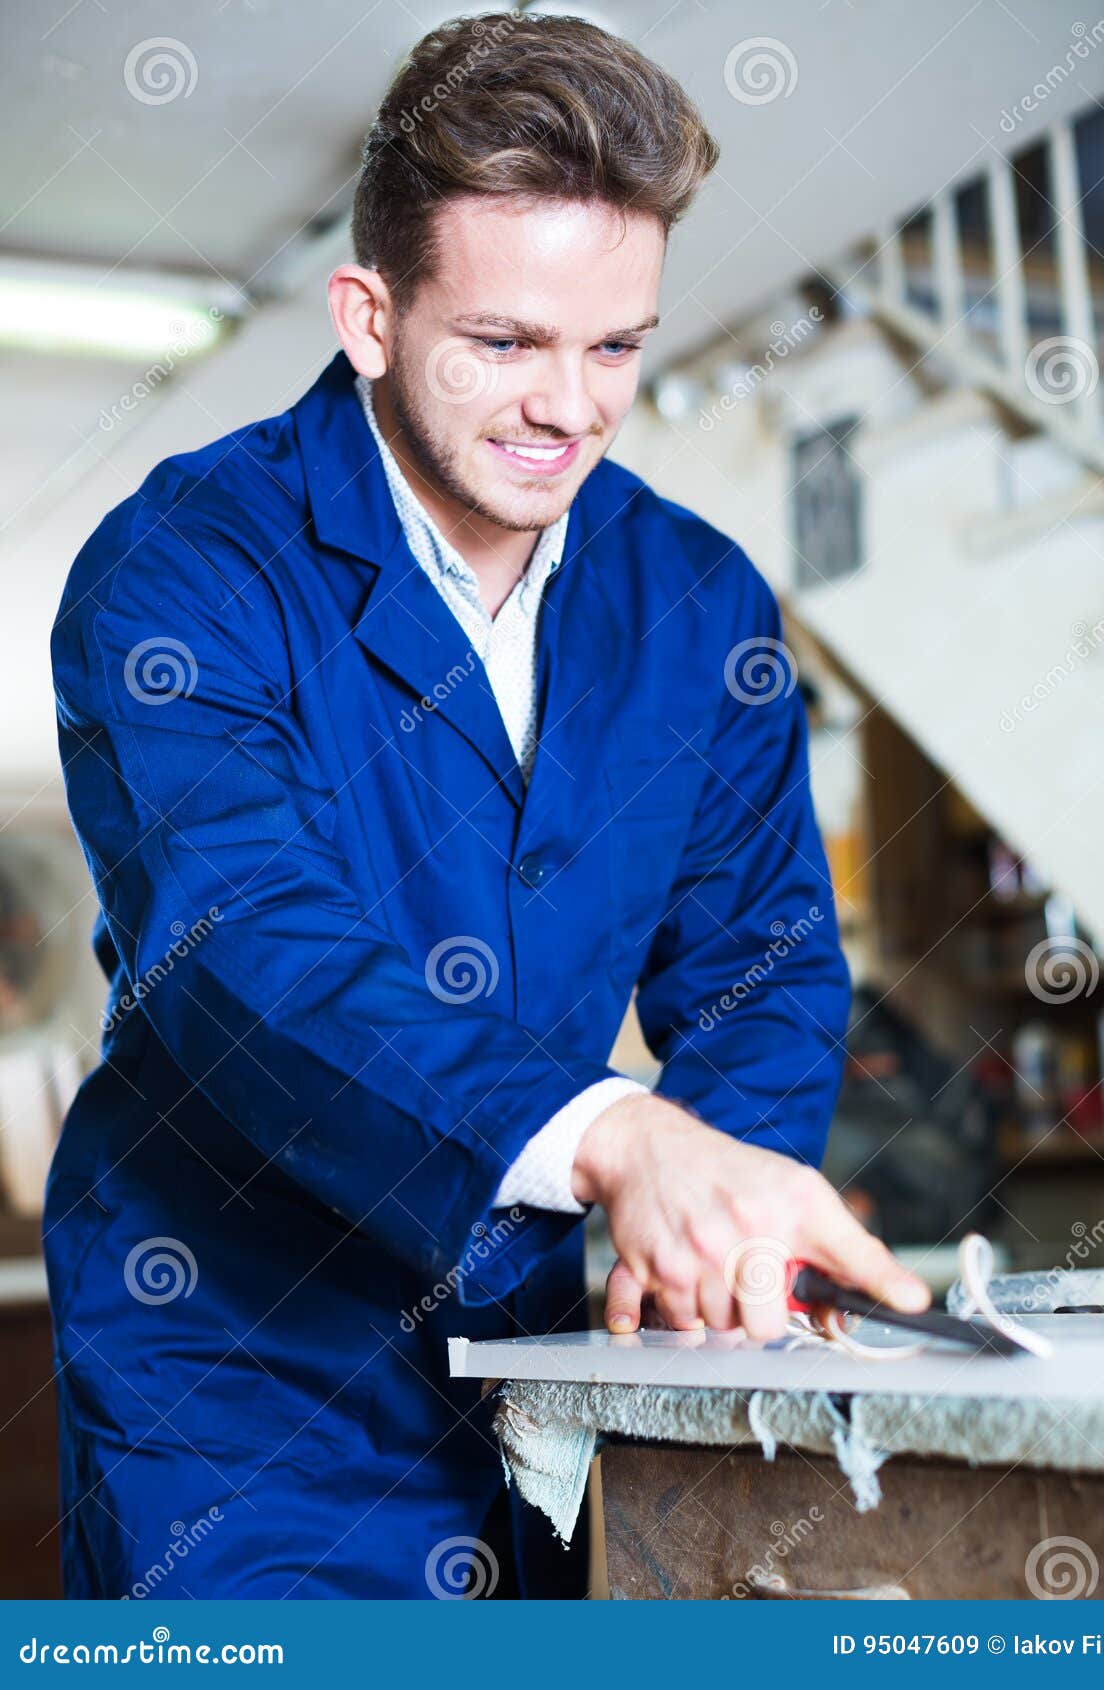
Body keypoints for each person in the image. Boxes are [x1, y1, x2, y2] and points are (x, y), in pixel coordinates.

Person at [45, 12, 928, 1600]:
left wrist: (708, 1216)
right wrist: (613, 1139)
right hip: (241, 1396)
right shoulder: (185, 572)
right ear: (369, 316)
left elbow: (767, 957)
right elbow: (251, 950)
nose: (570, 408)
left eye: (616, 347)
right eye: (507, 343)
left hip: (553, 1373)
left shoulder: (696, 597)